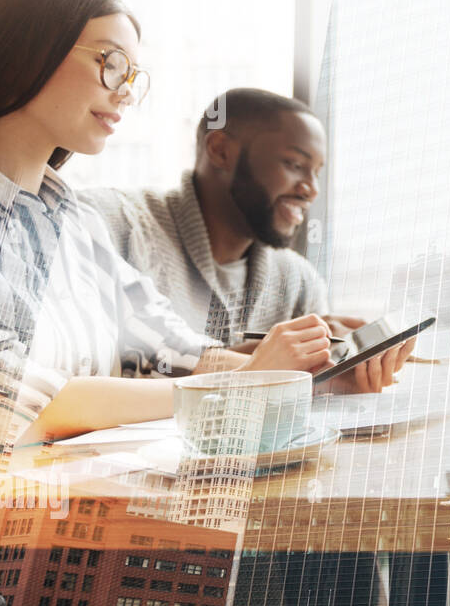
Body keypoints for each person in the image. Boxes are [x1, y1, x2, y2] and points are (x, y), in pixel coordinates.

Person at [0, 0, 378, 457]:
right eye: (111, 63)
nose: (125, 91)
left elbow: (173, 350)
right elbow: (15, 405)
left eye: (133, 76)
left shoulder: (71, 220)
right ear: (24, 50)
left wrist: (311, 373)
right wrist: (244, 382)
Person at [82, 89, 413, 393]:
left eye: (317, 172)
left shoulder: (297, 281)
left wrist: (335, 381)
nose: (311, 189)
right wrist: (267, 361)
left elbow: (298, 413)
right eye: (295, 165)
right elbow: (95, 380)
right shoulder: (112, 225)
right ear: (220, 151)